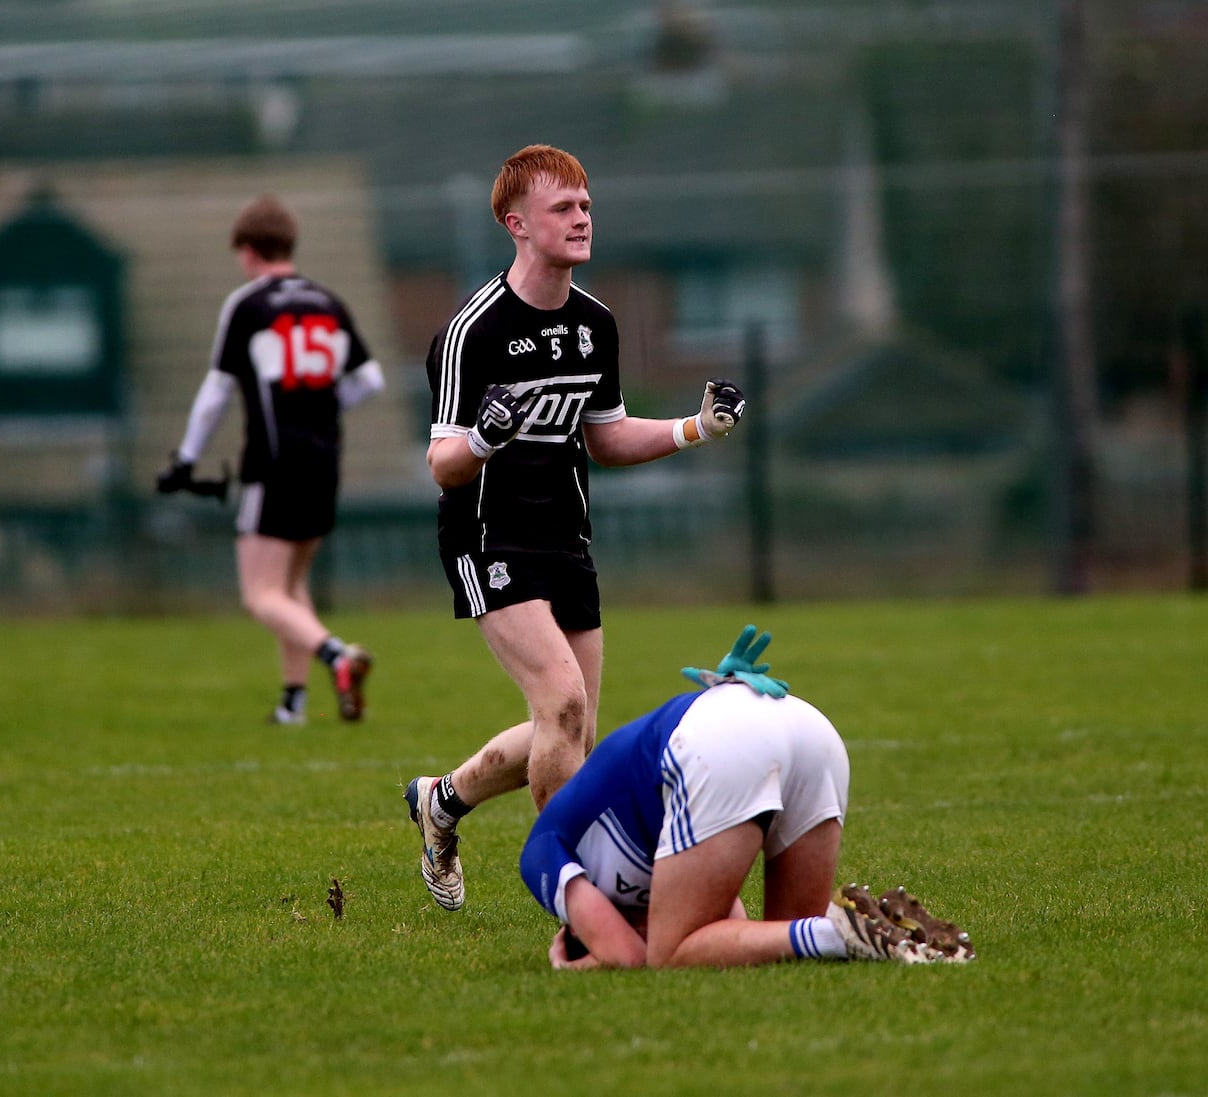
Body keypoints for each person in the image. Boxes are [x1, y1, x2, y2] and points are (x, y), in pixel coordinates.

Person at [405, 144, 746, 910]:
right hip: (488, 538)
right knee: (561, 703)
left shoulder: (596, 323)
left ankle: (443, 800)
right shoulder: (472, 330)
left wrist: (694, 427)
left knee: (572, 729)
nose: (582, 217)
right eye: (563, 207)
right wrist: (484, 439)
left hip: (566, 538)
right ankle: (579, 893)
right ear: (516, 223)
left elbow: (608, 438)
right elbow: (442, 464)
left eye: (586, 205)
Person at [520, 626, 976, 969]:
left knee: (672, 952)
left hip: (723, 740)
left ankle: (840, 933)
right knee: (791, 940)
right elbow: (728, 924)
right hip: (805, 728)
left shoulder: (544, 850)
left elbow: (628, 955)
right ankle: (867, 933)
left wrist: (573, 963)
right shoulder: (643, 863)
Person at [157, 194, 385, 725]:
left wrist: (186, 459)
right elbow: (370, 380)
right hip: (324, 458)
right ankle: (293, 703)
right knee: (290, 587)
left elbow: (217, 391)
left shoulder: (248, 304)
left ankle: (338, 656)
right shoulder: (328, 301)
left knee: (260, 595)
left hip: (274, 461)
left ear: (247, 250)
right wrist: (323, 406)